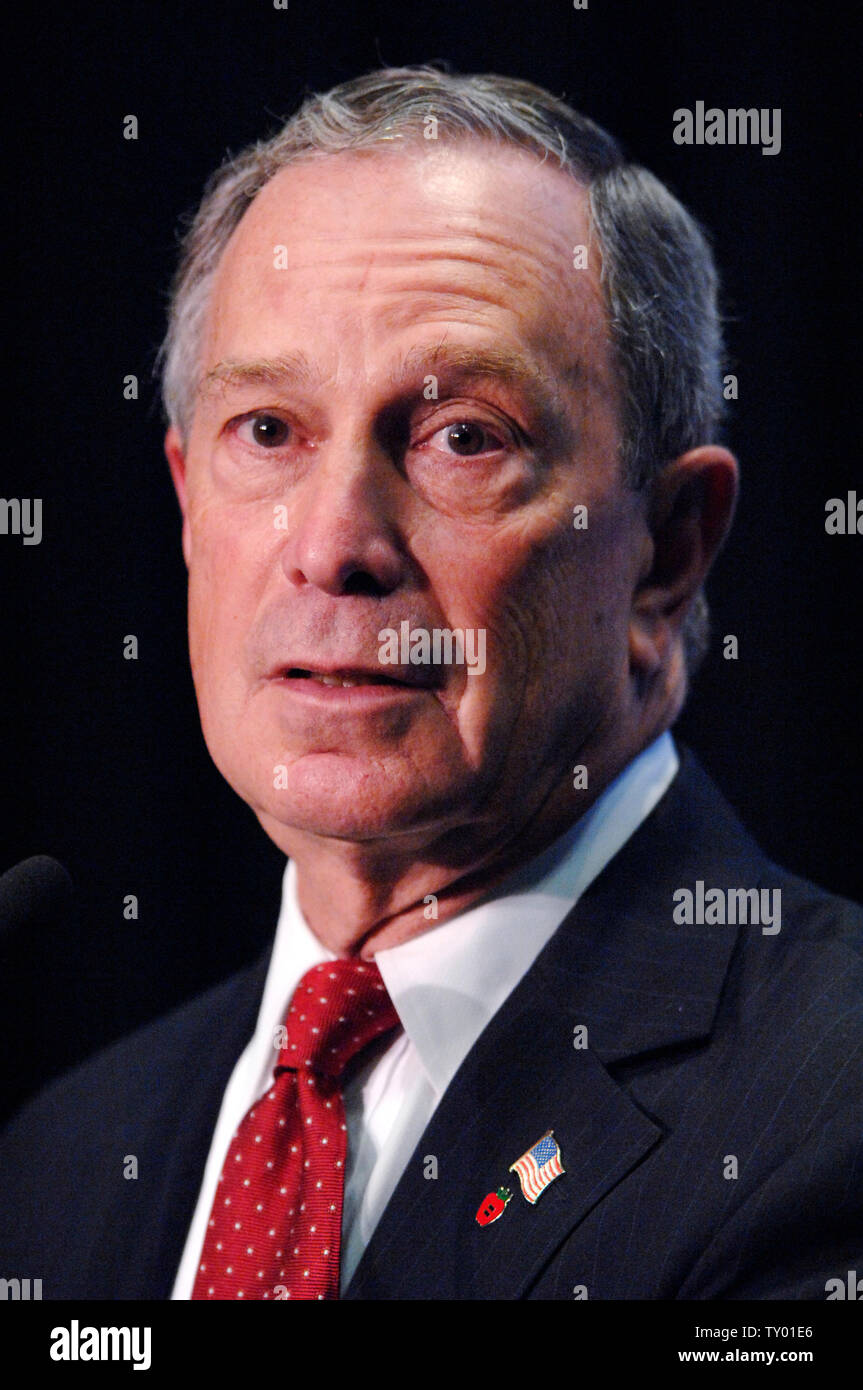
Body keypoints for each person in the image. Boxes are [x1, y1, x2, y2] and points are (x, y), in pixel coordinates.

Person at [0, 66, 860, 1302]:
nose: (333, 540)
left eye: (464, 435)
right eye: (269, 432)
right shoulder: (60, 1158)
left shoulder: (827, 1112)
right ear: (187, 500)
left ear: (666, 551)